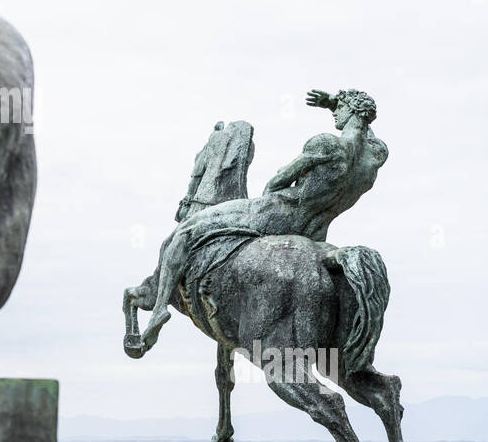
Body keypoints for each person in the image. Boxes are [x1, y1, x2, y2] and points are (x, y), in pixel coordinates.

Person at [145, 88, 388, 327]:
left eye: (342, 108)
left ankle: (158, 310)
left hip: (279, 213)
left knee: (187, 230)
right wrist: (341, 105)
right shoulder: (373, 159)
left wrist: (268, 199)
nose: (337, 112)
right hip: (316, 231)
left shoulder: (326, 144)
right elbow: (368, 136)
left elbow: (278, 180)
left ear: (352, 110)